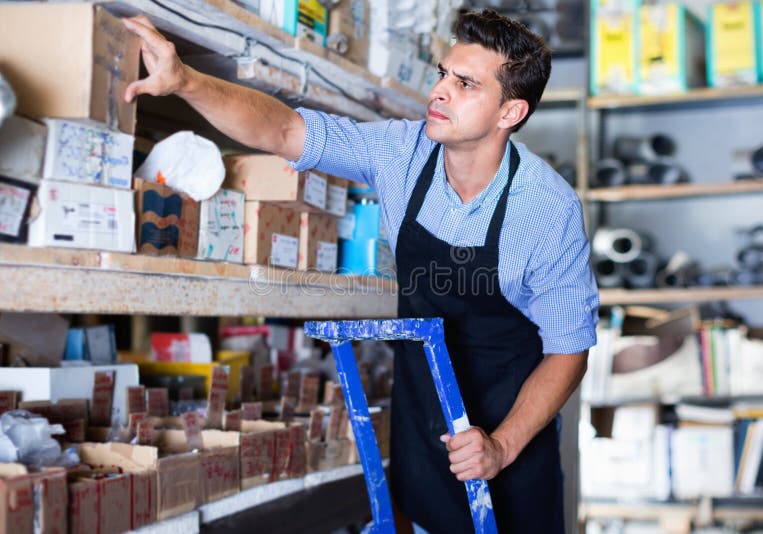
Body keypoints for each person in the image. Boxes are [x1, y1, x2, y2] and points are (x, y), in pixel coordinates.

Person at [123, 8, 598, 533]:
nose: (439, 91)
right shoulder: (400, 152)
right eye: (443, 74)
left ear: (510, 112)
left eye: (465, 84)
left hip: (511, 451)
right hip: (423, 432)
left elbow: (568, 348)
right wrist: (184, 80)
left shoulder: (547, 210)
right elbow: (283, 130)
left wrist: (500, 447)